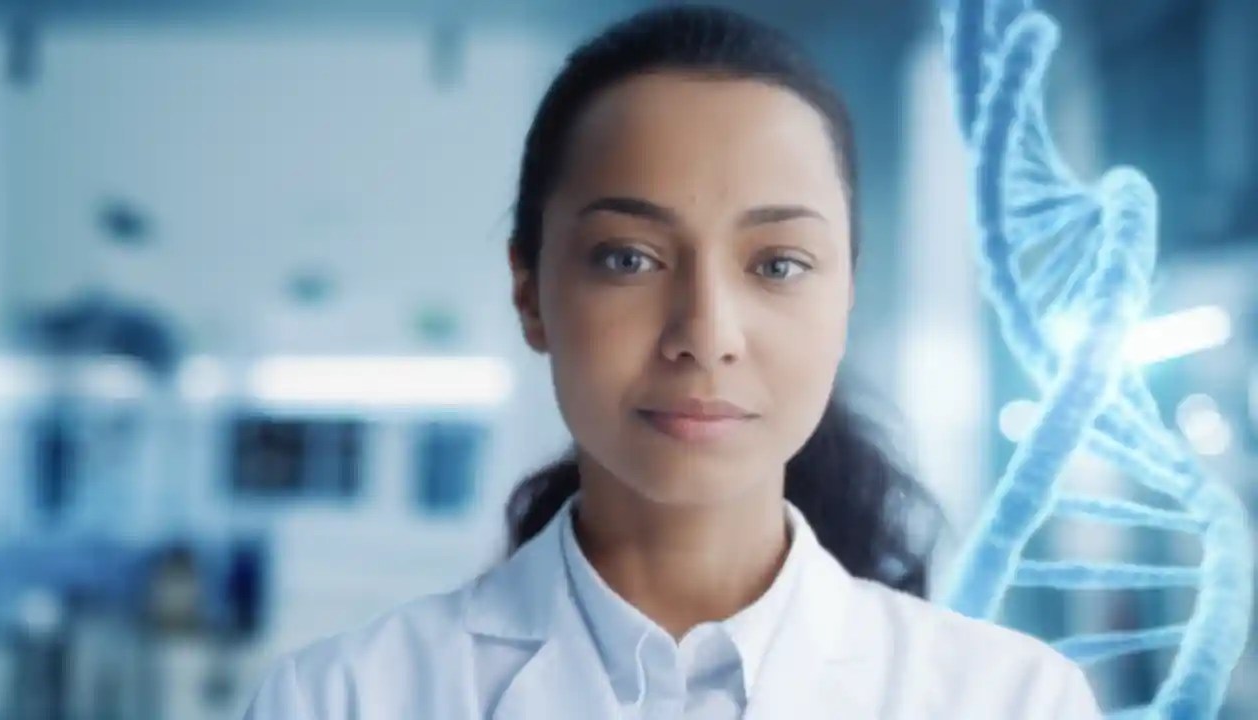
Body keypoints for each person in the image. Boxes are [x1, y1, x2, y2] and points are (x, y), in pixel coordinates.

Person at [243, 5, 1103, 718]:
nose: (705, 332)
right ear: (530, 293)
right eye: (628, 258)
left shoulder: (1012, 700)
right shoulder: (341, 699)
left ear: (846, 295)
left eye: (778, 265)